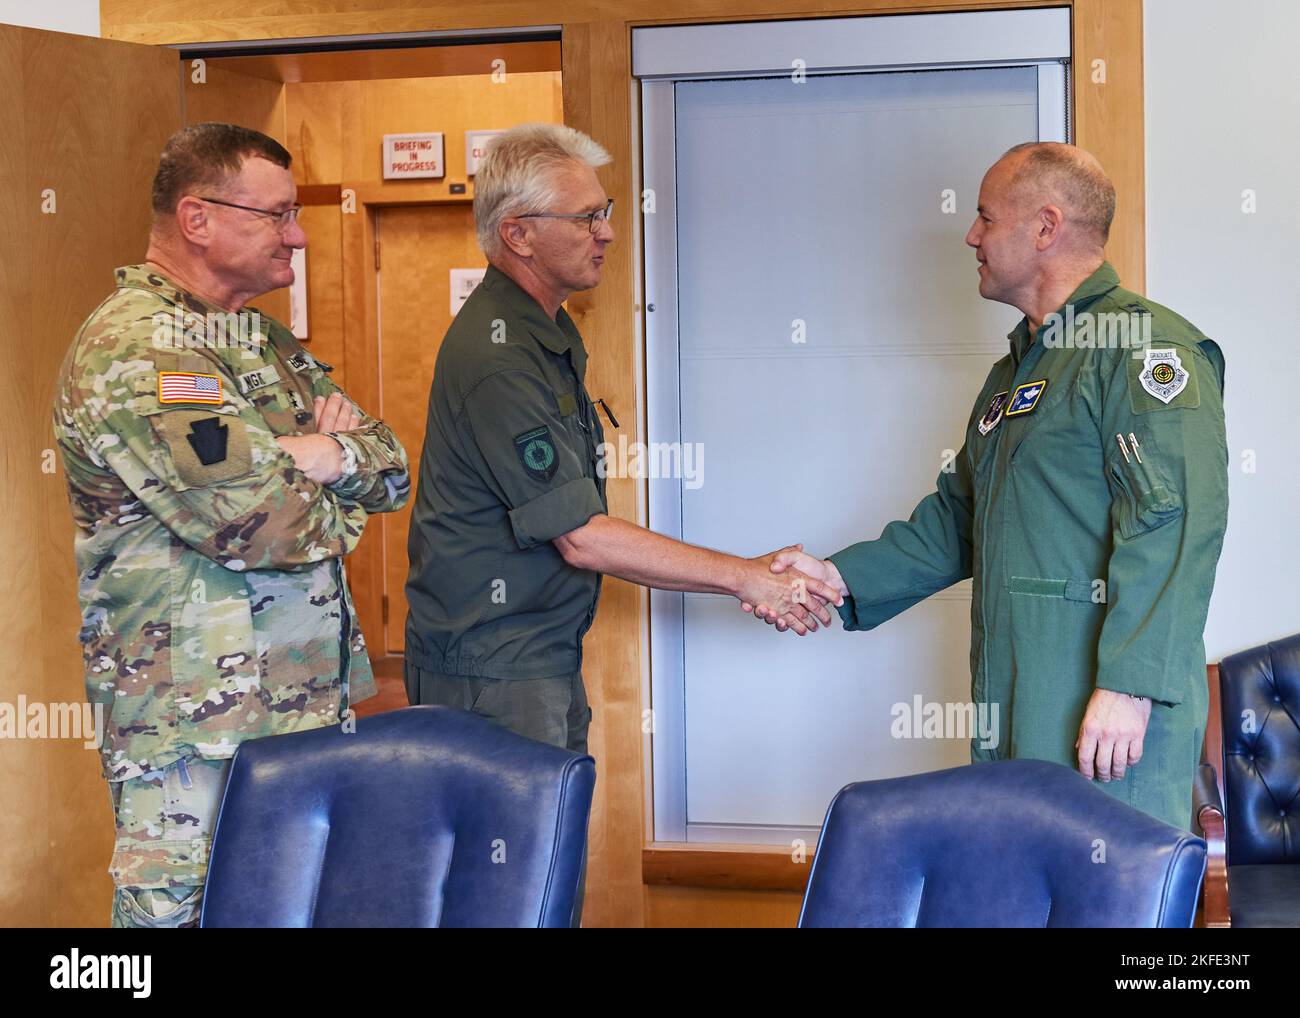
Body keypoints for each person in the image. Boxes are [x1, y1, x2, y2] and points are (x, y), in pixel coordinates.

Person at [404, 123, 840, 921]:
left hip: (530, 657)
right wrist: (747, 576)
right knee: (509, 895)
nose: (608, 231)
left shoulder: (544, 330)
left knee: (542, 880)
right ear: (519, 235)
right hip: (492, 670)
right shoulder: (498, 354)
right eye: (586, 217)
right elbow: (582, 534)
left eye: (605, 211)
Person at [749, 142, 1228, 831]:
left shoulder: (1144, 349)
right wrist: (835, 577)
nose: (971, 235)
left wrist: (1131, 684)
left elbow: (1177, 524)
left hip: (1108, 714)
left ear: (1045, 227)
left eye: (985, 217)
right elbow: (957, 520)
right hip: (1018, 700)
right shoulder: (1016, 373)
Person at [52, 122, 410, 927]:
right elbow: (263, 525)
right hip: (195, 730)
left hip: (302, 710)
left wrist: (325, 455)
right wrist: (326, 465)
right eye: (277, 216)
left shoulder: (259, 339)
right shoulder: (142, 349)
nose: (301, 235)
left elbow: (391, 464)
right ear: (197, 217)